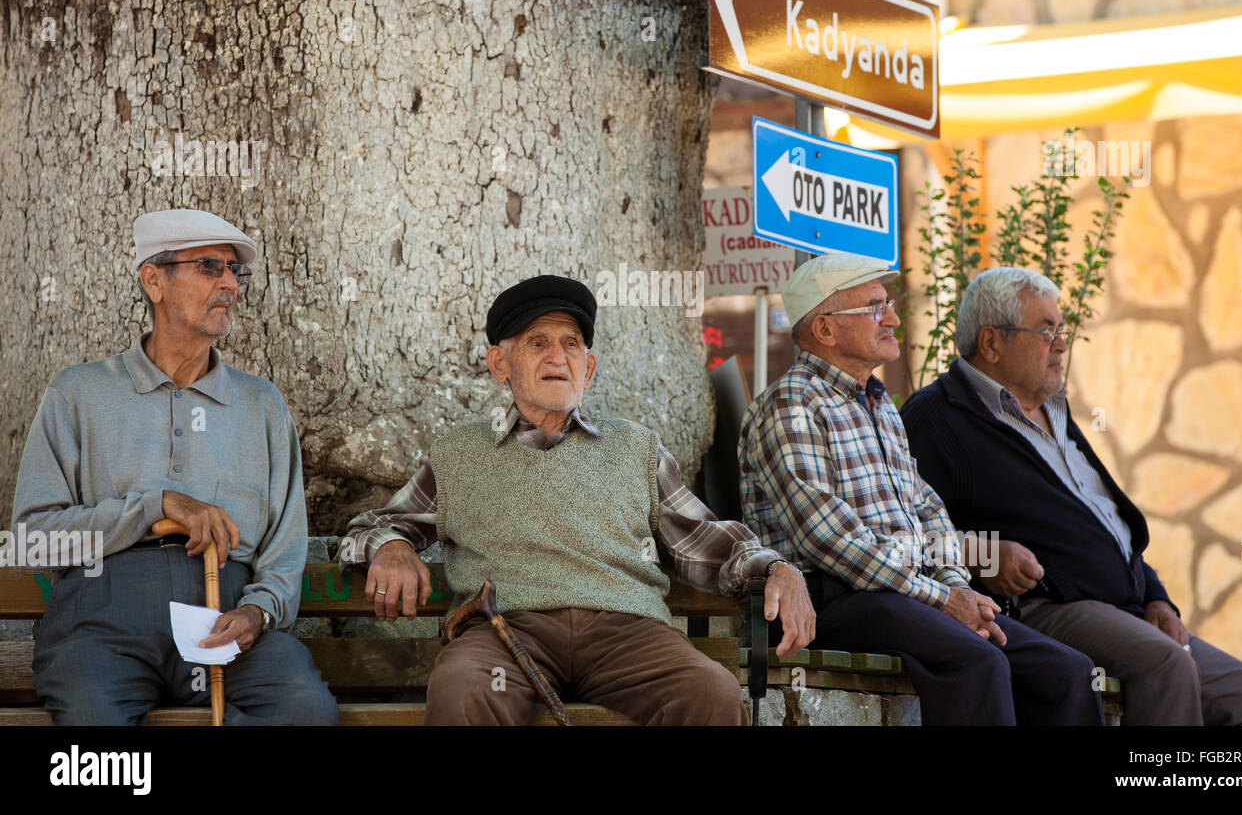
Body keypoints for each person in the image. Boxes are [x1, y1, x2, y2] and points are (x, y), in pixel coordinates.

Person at [340, 274, 815, 725]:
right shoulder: (458, 453)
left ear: (588, 368)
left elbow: (705, 543)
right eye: (537, 343)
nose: (557, 358)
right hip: (506, 632)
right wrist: (391, 546)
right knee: (463, 690)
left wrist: (776, 568)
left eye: (571, 344)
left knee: (710, 692)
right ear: (499, 364)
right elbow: (371, 527)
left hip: (628, 635)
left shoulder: (636, 447)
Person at [900, 266, 1242, 726]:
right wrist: (983, 556)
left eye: (1061, 329)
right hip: (1044, 607)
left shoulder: (1054, 411)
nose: (1061, 343)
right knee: (1165, 665)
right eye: (1044, 330)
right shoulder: (935, 418)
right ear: (991, 343)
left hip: (1128, 606)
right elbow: (905, 533)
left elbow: (1102, 518)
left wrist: (1157, 597)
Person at [739, 253, 1102, 725]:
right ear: (825, 330)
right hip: (834, 598)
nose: (892, 317)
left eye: (887, 304)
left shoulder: (880, 404)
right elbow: (830, 541)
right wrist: (941, 598)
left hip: (906, 593)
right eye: (873, 308)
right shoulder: (791, 404)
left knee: (1066, 671)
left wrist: (953, 583)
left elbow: (926, 508)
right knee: (977, 660)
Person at [12, 208, 338, 725]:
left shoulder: (261, 405)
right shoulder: (79, 393)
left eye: (236, 271)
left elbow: (285, 546)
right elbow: (34, 539)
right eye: (210, 266)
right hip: (101, 620)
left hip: (226, 617)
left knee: (304, 707)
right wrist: (155, 506)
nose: (229, 283)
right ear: (154, 280)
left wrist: (257, 612)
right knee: (95, 732)